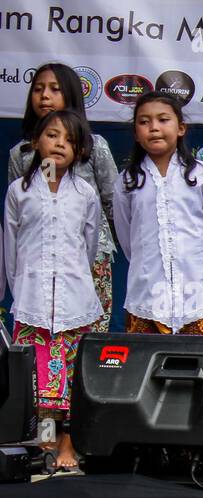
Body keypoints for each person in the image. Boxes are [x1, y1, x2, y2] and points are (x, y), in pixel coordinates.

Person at [4, 110, 101, 470]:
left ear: (79, 151)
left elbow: (89, 245)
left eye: (70, 140)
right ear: (35, 142)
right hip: (32, 304)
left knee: (72, 381)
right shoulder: (21, 191)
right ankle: (44, 445)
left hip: (75, 305)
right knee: (39, 382)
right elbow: (11, 246)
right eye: (52, 136)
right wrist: (22, 290)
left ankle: (67, 445)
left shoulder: (84, 192)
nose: (60, 144)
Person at [7, 63, 116, 337]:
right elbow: (22, 210)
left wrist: (99, 246)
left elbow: (113, 201)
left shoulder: (93, 145)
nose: (45, 96)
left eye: (55, 90)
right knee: (42, 335)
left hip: (89, 257)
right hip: (39, 260)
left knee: (87, 337)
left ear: (71, 96)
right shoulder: (21, 153)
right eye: (39, 89)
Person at [113, 92, 203, 335]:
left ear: (181, 128)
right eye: (144, 122)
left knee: (198, 367)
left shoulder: (202, 175)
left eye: (163, 120)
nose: (154, 128)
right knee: (147, 367)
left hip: (198, 294)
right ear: (136, 132)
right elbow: (127, 239)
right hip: (147, 294)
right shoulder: (128, 181)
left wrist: (199, 267)